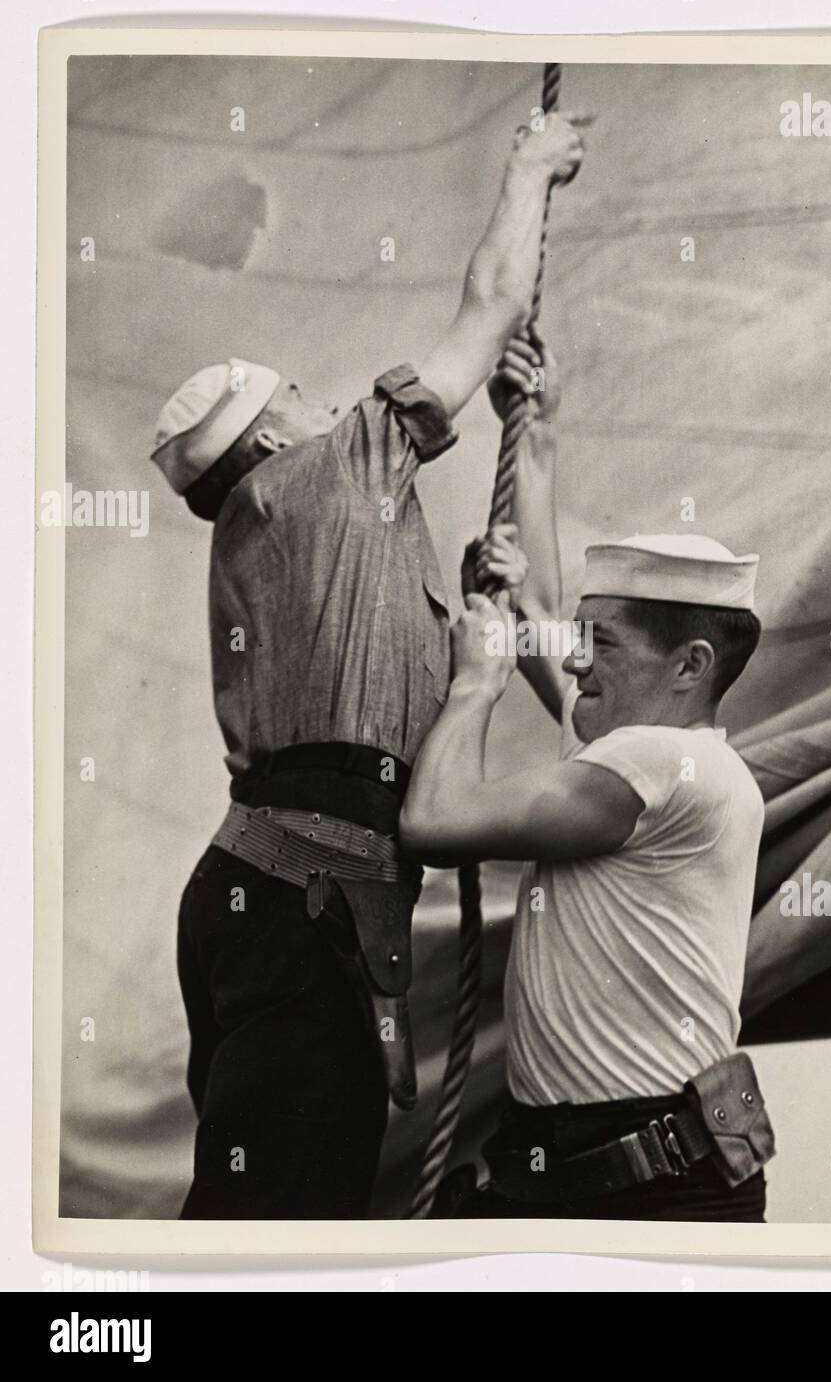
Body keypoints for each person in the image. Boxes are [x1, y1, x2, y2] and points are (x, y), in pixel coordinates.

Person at [148, 112, 589, 1219]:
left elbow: (390, 688)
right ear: (268, 439)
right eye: (300, 396)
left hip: (268, 894)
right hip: (312, 900)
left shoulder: (277, 537)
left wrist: (465, 619)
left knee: (268, 1195)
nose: (331, 403)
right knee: (285, 1217)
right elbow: (491, 303)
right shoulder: (325, 473)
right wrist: (531, 168)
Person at [399, 350, 777, 1219]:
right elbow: (540, 620)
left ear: (690, 665)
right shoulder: (656, 755)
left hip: (650, 1192)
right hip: (620, 1167)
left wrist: (476, 684)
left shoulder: (655, 768)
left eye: (601, 644)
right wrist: (535, 428)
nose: (574, 661)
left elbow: (435, 819)